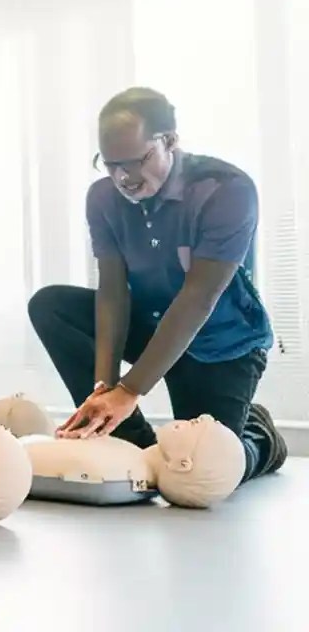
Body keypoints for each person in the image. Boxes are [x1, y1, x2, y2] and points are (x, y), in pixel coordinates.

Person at [29, 86, 287, 485]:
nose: (123, 178)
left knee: (204, 471)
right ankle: (129, 439)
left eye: (135, 162)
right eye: (110, 164)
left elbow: (200, 297)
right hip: (149, 327)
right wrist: (105, 388)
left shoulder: (227, 190)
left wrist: (130, 389)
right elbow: (112, 292)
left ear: (169, 141)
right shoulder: (101, 198)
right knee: (50, 305)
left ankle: (261, 436)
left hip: (218, 343)